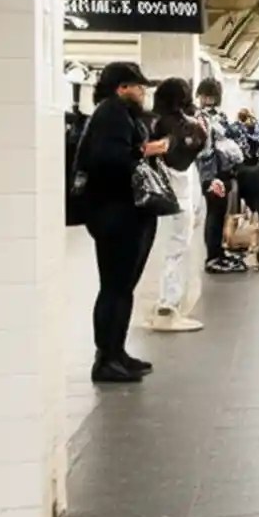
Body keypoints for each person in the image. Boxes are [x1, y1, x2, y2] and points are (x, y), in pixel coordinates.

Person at [79, 62, 167, 383]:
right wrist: (147, 149)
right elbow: (109, 159)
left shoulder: (120, 114)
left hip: (123, 212)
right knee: (115, 287)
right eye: (138, 86)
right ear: (122, 88)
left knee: (122, 288)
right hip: (115, 213)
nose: (143, 92)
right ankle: (106, 359)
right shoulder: (111, 113)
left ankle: (117, 352)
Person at [147, 78, 208, 331]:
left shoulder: (152, 123)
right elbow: (194, 150)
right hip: (179, 198)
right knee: (177, 252)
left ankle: (159, 304)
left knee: (162, 252)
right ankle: (168, 307)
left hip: (155, 199)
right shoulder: (189, 127)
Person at [195, 79, 246, 274]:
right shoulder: (204, 118)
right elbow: (205, 151)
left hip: (219, 172)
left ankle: (218, 252)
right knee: (215, 214)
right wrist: (210, 178)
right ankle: (213, 257)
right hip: (213, 174)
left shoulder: (212, 117)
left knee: (218, 214)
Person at [229, 108, 259, 218]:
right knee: (257, 196)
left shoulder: (234, 129)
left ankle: (243, 215)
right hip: (256, 168)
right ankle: (257, 216)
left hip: (241, 168)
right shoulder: (256, 128)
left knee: (241, 195)